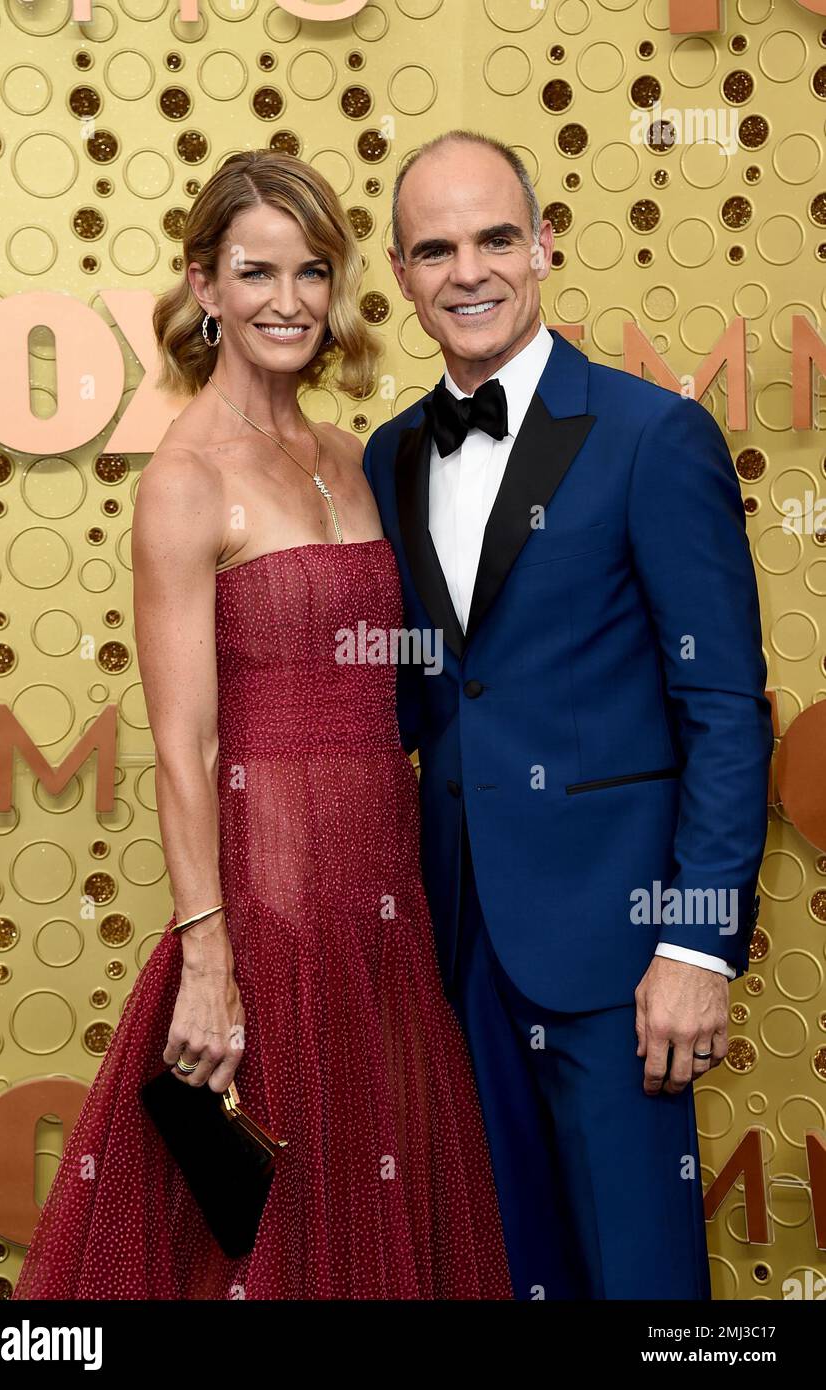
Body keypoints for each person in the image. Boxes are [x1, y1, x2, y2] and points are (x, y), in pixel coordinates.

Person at [10, 149, 512, 1300]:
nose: (287, 301)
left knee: (378, 1223)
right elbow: (182, 744)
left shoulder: (354, 455)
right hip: (270, 914)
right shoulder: (185, 477)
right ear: (205, 287)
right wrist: (205, 954)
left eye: (311, 271)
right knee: (271, 1243)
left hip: (384, 906)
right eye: (255, 272)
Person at [363, 129, 773, 1300]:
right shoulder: (391, 454)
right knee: (502, 1270)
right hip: (454, 946)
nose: (469, 270)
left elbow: (721, 710)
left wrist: (694, 941)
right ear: (399, 274)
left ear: (544, 245)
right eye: (433, 248)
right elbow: (415, 691)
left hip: (617, 948)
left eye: (495, 236)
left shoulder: (653, 436)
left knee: (639, 1280)